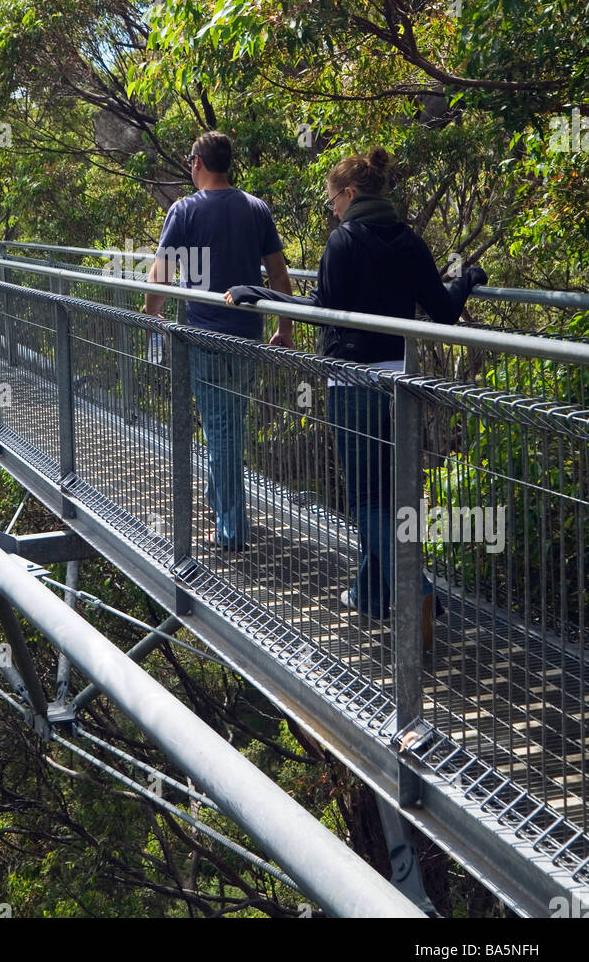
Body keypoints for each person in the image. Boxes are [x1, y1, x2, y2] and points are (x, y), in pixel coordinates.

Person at [228, 147, 487, 647]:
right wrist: (467, 281)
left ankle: (416, 589)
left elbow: (324, 311)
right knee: (388, 497)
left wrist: (259, 294)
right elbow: (443, 311)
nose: (332, 209)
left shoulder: (343, 241)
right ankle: (369, 595)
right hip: (402, 386)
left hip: (352, 384)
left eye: (332, 200)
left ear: (349, 194)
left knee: (366, 499)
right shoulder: (410, 241)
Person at [144, 131, 294, 551]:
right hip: (248, 334)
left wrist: (151, 314)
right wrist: (285, 326)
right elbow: (278, 275)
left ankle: (232, 528)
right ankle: (221, 505)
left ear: (196, 163)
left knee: (221, 428)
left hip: (205, 336)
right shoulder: (256, 209)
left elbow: (162, 273)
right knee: (228, 423)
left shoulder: (184, 210)